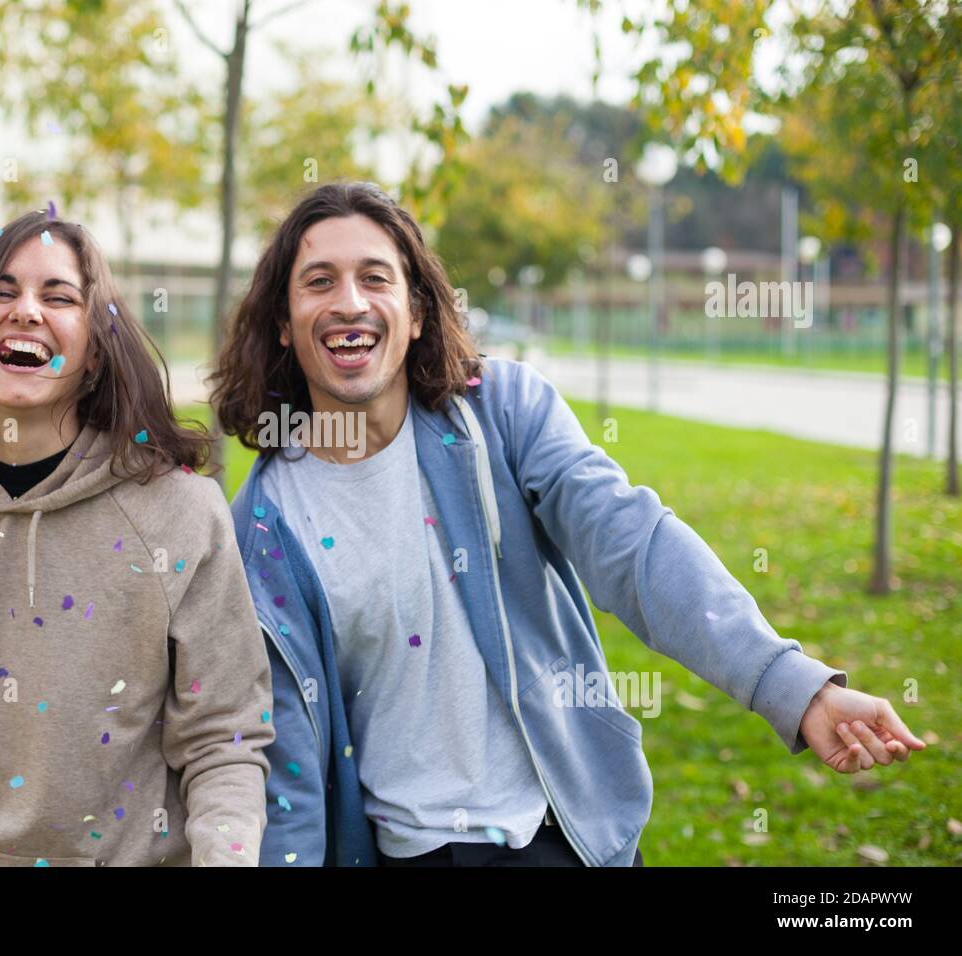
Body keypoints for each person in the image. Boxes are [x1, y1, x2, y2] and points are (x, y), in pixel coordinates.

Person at [208, 181, 927, 868]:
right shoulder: (265, 528)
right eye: (320, 281)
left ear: (419, 311)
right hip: (415, 851)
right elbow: (286, 760)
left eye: (375, 277)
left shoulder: (503, 413)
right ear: (282, 320)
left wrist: (791, 684)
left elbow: (634, 546)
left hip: (565, 831)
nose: (350, 302)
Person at [0, 210, 274, 867]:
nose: (26, 311)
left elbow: (224, 741)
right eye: (2, 291)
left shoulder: (180, 512)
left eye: (58, 295)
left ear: (95, 348)